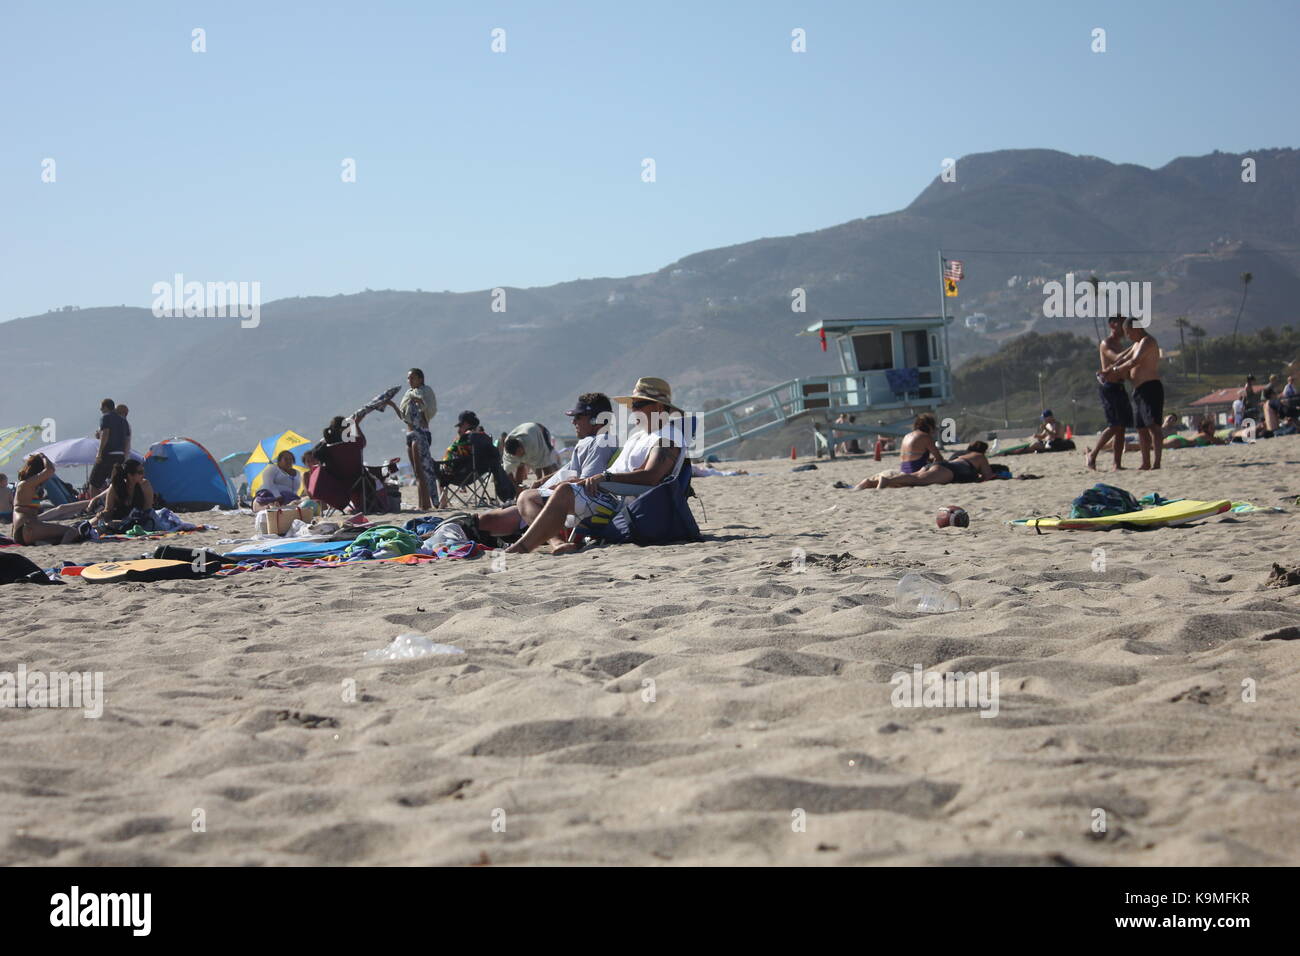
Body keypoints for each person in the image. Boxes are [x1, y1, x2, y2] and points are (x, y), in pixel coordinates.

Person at [505, 377, 685, 555]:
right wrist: (585, 480)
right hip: (609, 492)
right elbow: (625, 472)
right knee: (528, 496)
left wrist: (604, 478)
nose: (632, 410)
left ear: (659, 407)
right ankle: (553, 542)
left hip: (621, 501)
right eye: (632, 406)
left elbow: (651, 476)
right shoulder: (640, 436)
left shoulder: (667, 438)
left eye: (638, 405)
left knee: (563, 491)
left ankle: (523, 547)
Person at [477, 393, 620, 540]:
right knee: (486, 521)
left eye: (578, 417)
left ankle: (553, 540)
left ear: (596, 420)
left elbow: (587, 482)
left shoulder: (601, 442)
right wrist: (544, 480)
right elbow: (572, 470)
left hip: (548, 506)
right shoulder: (592, 441)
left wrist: (551, 489)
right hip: (544, 502)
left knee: (485, 522)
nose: (573, 422)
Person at [1105, 318, 1164, 470]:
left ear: (1135, 329)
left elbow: (1135, 361)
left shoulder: (1147, 341)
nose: (1128, 336)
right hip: (1138, 390)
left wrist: (1117, 371)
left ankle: (1156, 462)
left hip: (1150, 387)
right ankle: (1146, 462)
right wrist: (1109, 370)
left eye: (1128, 333)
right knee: (1141, 428)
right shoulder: (1136, 344)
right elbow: (1123, 358)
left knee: (1153, 426)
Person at [385, 368, 439, 512]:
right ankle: (422, 503)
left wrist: (420, 402)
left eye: (412, 378)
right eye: (408, 378)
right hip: (409, 433)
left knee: (422, 471)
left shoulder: (426, 391)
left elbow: (428, 409)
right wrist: (393, 405)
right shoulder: (408, 394)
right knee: (416, 472)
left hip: (421, 432)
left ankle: (426, 504)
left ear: (420, 379)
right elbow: (404, 417)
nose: (409, 381)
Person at [436, 411, 515, 506]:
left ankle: (443, 500)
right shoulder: (484, 437)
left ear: (466, 424)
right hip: (479, 471)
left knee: (440, 468)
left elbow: (450, 452)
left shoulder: (465, 439)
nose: (459, 429)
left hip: (461, 474)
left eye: (460, 426)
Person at [1086, 316, 1134, 471]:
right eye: (1122, 325)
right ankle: (1093, 454)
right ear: (1113, 325)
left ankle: (1117, 463)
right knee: (1114, 425)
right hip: (1109, 387)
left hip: (1119, 386)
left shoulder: (1120, 344)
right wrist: (1135, 347)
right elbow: (1117, 358)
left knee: (1122, 428)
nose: (1124, 329)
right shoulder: (1106, 343)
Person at [852, 413, 941, 489]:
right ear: (929, 426)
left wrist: (928, 460)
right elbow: (939, 458)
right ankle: (870, 483)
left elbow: (914, 456)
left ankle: (869, 482)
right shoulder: (926, 437)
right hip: (914, 470)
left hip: (903, 468)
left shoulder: (907, 435)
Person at [11, 454, 81, 544]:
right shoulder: (26, 484)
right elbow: (50, 470)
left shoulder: (27, 485)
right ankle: (63, 548)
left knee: (58, 537)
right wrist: (43, 457)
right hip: (27, 527)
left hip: (21, 531)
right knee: (72, 531)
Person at [94, 458, 157, 531]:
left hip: (139, 521)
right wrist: (102, 514)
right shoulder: (115, 487)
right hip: (118, 520)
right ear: (130, 475)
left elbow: (147, 510)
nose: (143, 474)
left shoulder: (145, 485)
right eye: (140, 472)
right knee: (95, 524)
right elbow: (108, 510)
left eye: (143, 471)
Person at [500, 422, 562, 488]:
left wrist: (539, 480)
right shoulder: (508, 454)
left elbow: (539, 463)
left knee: (546, 465)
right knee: (520, 464)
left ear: (521, 445)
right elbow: (507, 471)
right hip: (527, 431)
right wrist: (515, 486)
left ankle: (549, 487)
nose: (520, 455)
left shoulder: (532, 444)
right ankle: (519, 488)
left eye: (520, 452)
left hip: (541, 432)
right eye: (517, 455)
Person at [89, 398, 130, 492]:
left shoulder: (106, 417)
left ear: (106, 407)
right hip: (120, 456)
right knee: (114, 484)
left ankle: (94, 505)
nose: (100, 410)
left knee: (93, 483)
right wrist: (125, 456)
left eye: (101, 408)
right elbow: (127, 440)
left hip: (108, 454)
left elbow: (106, 434)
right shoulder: (124, 421)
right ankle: (111, 504)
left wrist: (99, 453)